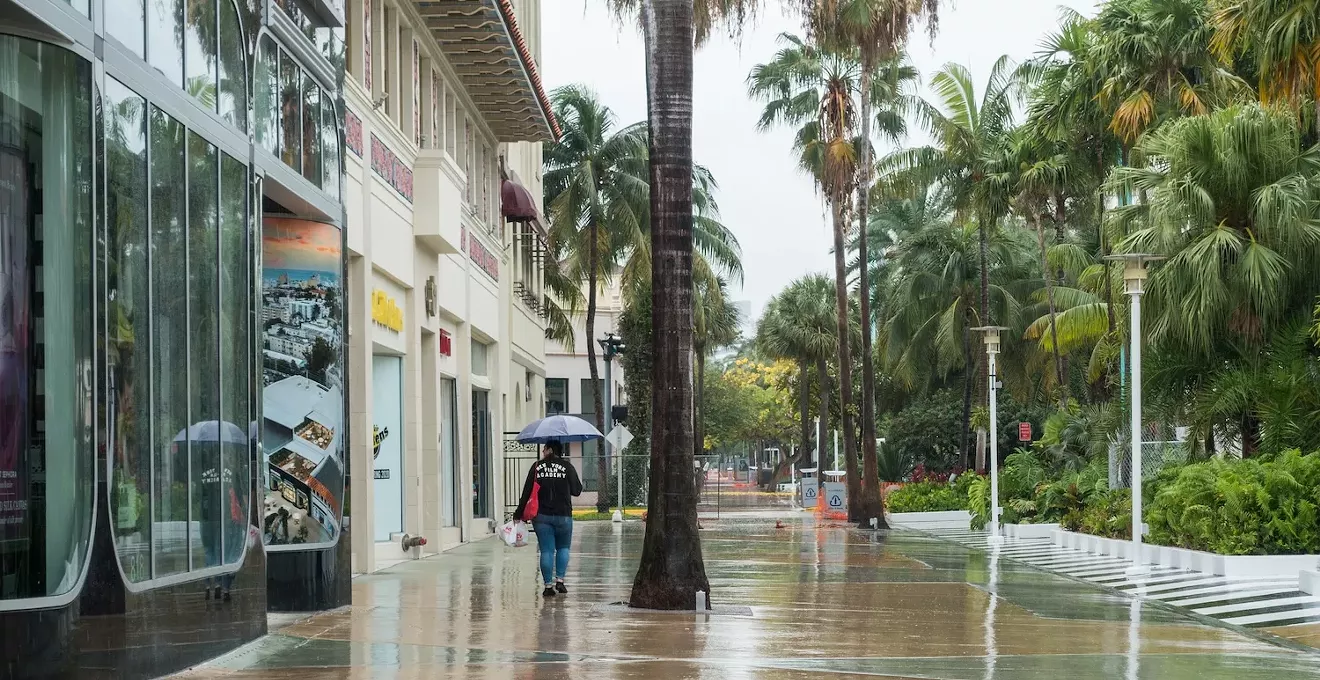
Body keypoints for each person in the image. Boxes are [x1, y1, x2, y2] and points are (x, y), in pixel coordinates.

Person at [513, 440, 582, 597]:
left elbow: (527, 492)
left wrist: (518, 513)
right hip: (564, 515)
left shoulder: (537, 467)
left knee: (547, 550)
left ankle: (548, 586)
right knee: (563, 548)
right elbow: (577, 490)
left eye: (544, 449)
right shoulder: (567, 467)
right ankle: (560, 581)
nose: (543, 452)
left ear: (550, 450)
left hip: (541, 516)